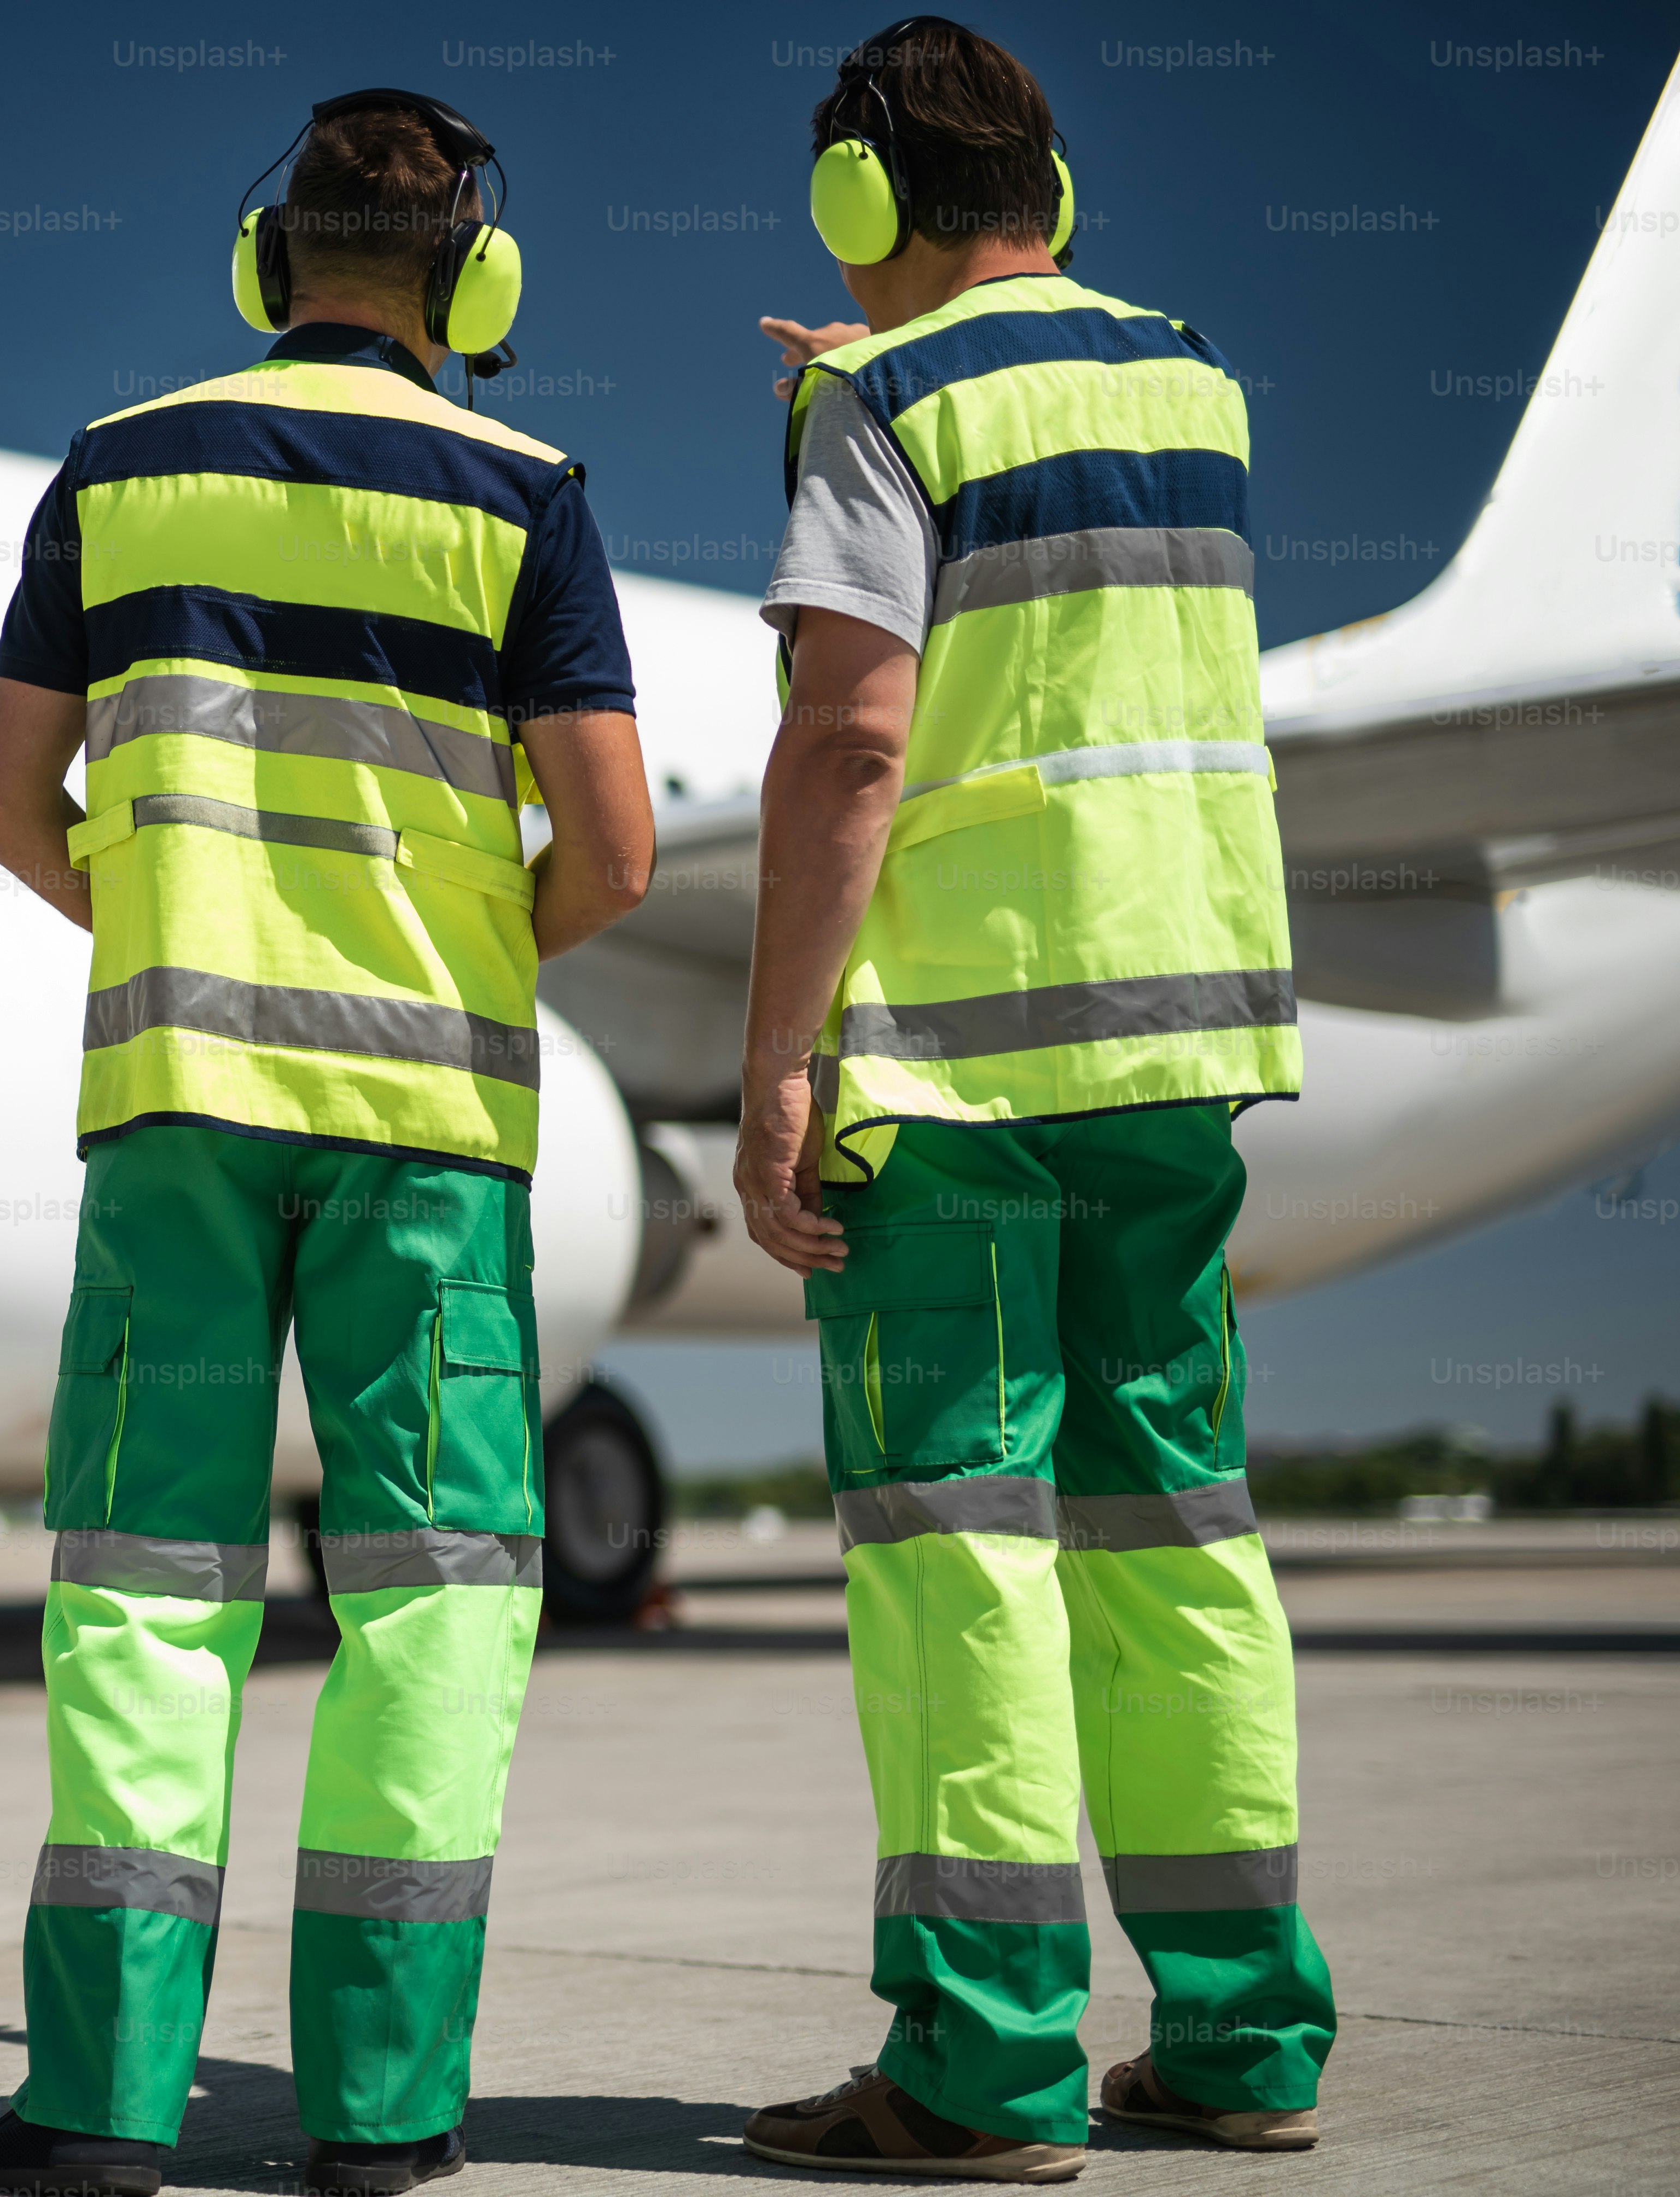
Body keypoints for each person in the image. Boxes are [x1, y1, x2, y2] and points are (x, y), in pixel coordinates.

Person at [0, 88, 653, 2197]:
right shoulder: (528, 495)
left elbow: (0, 804)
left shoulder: (118, 469)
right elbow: (609, 846)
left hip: (177, 1111)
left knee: (147, 1599)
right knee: (433, 1600)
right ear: (470, 285)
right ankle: (386, 2121)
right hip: (426, 1126)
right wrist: (444, 955)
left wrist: (174, 929)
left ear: (272, 264)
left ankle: (96, 2112)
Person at [731, 18, 1336, 2182]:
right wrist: (865, 388)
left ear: (858, 205)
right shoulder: (1190, 378)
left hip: (963, 1072)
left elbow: (858, 746)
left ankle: (977, 2071)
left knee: (956, 1557)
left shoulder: (887, 407)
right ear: (1050, 197)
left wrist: (778, 1052)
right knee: (1174, 1536)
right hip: (1170, 1059)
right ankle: (1244, 2039)